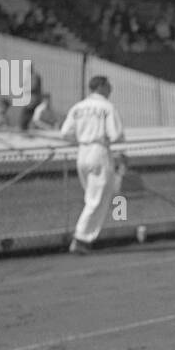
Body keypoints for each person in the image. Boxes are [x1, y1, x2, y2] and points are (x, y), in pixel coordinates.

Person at [59, 75, 125, 254]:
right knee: (96, 199)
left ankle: (85, 237)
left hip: (82, 152)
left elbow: (65, 133)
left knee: (93, 196)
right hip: (99, 151)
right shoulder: (106, 107)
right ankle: (81, 237)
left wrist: (81, 138)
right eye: (109, 85)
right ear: (102, 86)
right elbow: (116, 134)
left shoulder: (77, 107)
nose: (111, 89)